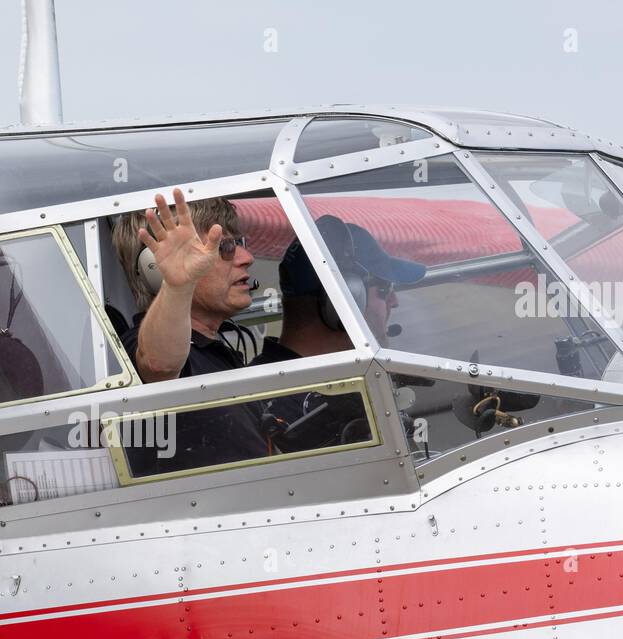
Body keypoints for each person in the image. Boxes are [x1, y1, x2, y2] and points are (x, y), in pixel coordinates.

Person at [111, 188, 266, 474]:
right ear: (154, 269)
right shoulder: (145, 346)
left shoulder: (216, 352)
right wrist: (178, 284)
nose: (246, 257)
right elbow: (158, 364)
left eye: (240, 243)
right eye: (225, 247)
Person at [253, 216, 426, 453]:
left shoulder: (350, 384)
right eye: (385, 289)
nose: (394, 302)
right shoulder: (263, 406)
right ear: (347, 297)